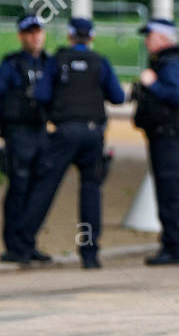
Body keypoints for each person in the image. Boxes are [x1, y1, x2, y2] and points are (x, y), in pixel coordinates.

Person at [15, 17, 125, 268]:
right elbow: (117, 96)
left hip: (64, 133)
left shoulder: (58, 60)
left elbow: (42, 94)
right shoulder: (100, 62)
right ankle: (89, 253)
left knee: (45, 186)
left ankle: (23, 243)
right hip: (93, 133)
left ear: (70, 36)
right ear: (92, 37)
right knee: (91, 192)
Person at [133, 17, 179, 265]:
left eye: (151, 36)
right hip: (164, 136)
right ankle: (170, 245)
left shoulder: (171, 63)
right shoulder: (165, 62)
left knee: (169, 193)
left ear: (163, 38)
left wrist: (152, 84)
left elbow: (177, 95)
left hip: (170, 138)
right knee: (167, 192)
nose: (147, 41)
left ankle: (173, 248)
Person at [0, 14, 52, 263]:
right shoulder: (11, 65)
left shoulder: (49, 63)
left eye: (38, 31)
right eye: (30, 32)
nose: (35, 37)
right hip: (18, 132)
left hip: (41, 130)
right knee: (19, 187)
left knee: (38, 189)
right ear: (21, 36)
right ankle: (14, 244)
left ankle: (28, 241)